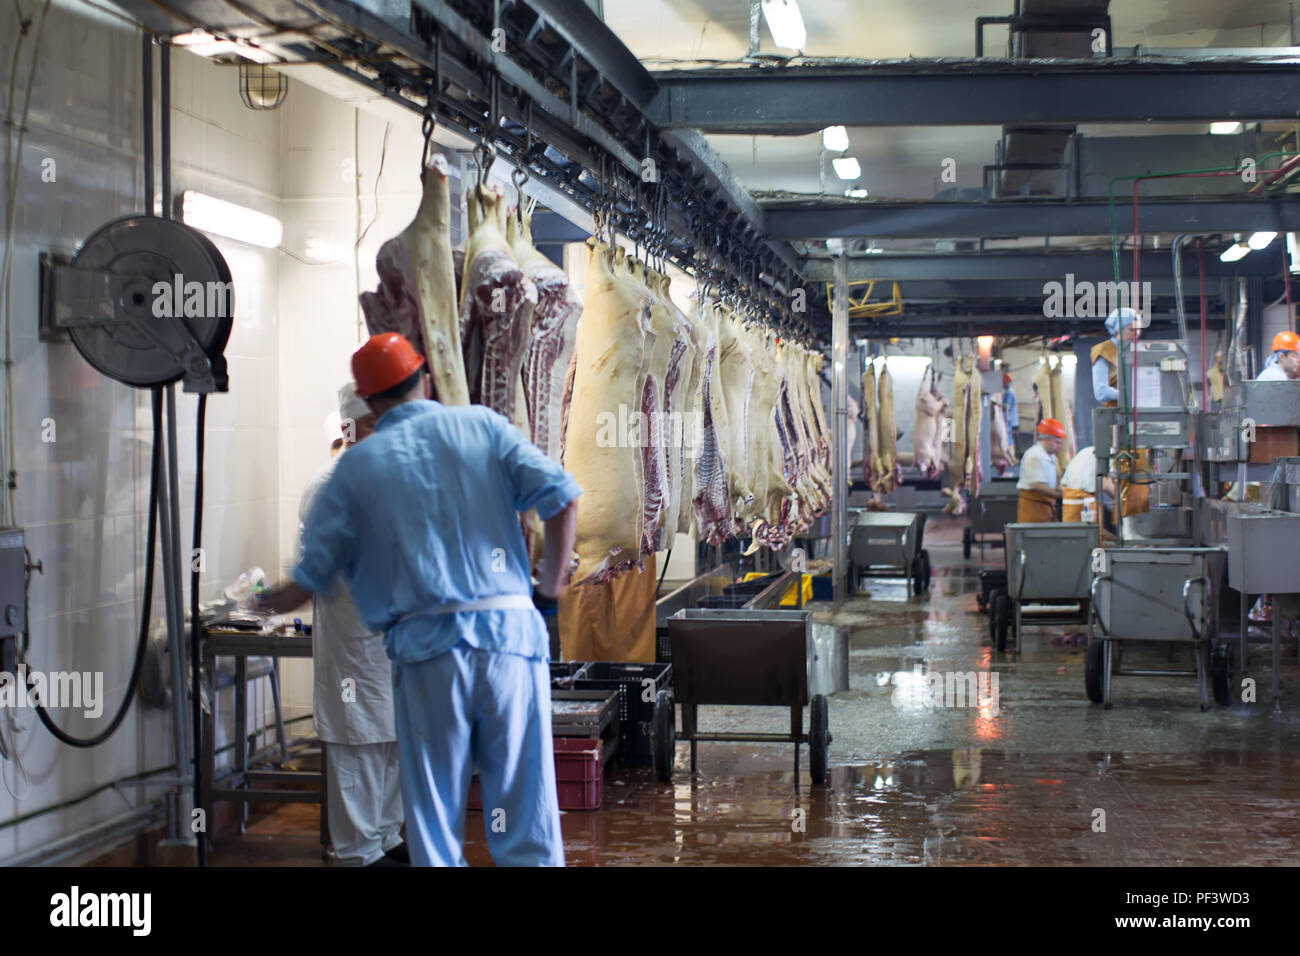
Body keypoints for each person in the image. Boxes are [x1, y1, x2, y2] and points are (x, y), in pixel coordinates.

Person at [260, 332, 582, 867]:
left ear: (370, 404)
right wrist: (549, 592)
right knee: (525, 806)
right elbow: (564, 498)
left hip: (429, 654)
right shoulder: (482, 427)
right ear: (426, 381)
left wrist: (265, 601)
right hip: (511, 641)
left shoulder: (354, 471)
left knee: (433, 815)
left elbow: (305, 582)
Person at [302, 383, 405, 867]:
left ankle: (385, 839)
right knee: (358, 749)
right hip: (355, 650)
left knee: (391, 746)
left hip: (396, 649)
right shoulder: (328, 486)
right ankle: (358, 854)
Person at [1092, 307, 1149, 519]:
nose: (1137, 334)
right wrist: (1129, 395)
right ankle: (1126, 527)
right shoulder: (1104, 351)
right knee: (1126, 472)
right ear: (1118, 329)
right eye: (1132, 330)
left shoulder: (1136, 352)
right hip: (1116, 421)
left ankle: (1138, 526)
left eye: (1139, 330)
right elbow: (1101, 392)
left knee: (1141, 473)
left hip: (1136, 418)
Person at [1060, 445, 1118, 534]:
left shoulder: (1088, 450)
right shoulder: (1109, 456)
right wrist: (1122, 499)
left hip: (1068, 497)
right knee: (1090, 535)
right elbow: (1106, 485)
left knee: (1072, 536)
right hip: (1083, 499)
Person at [1017, 418, 1066, 522]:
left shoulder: (1050, 456)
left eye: (1060, 443)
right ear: (1045, 439)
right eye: (1056, 442)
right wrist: (1060, 494)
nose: (1059, 446)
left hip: (1046, 506)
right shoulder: (1034, 455)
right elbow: (1036, 485)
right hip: (1034, 509)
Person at [1001, 371, 1018, 438]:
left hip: (1010, 421)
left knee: (1010, 439)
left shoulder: (1008, 393)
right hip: (1011, 420)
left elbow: (1006, 407)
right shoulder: (1010, 391)